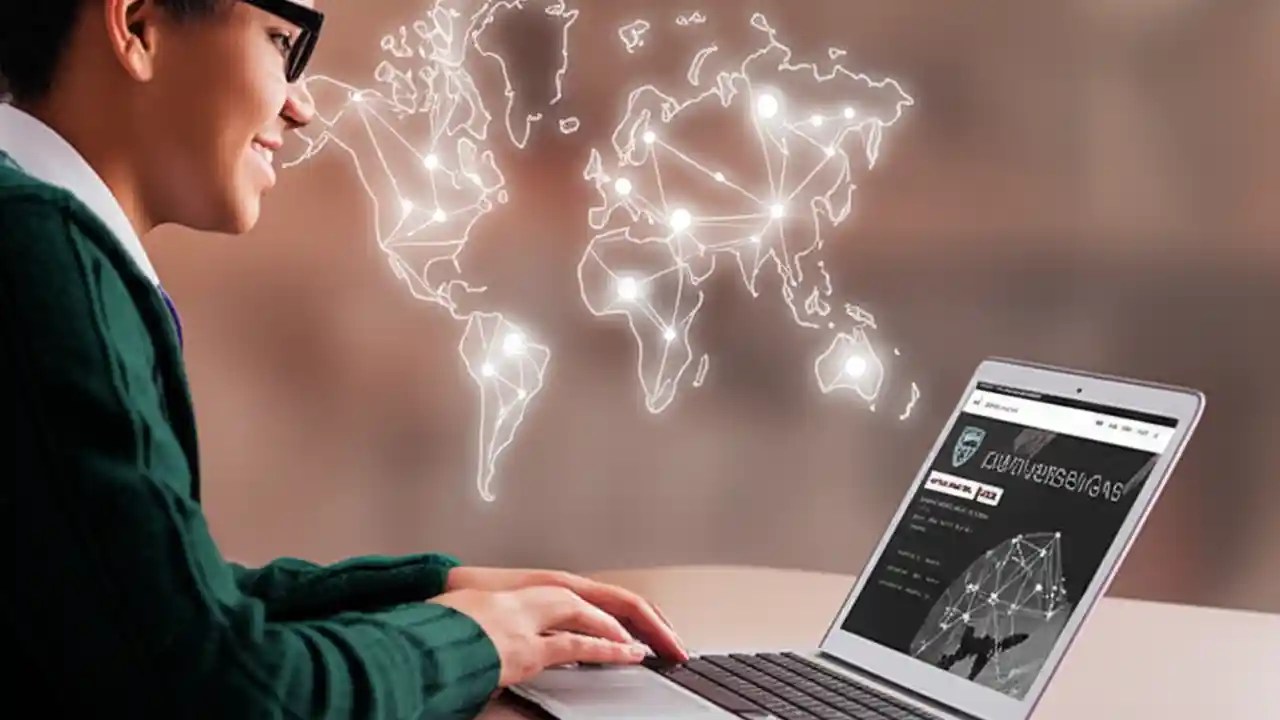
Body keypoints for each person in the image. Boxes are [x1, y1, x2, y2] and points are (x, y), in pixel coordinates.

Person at [0, 0, 687, 716]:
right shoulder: (37, 252)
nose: (301, 107)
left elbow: (139, 605)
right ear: (139, 26)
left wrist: (435, 593)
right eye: (280, 42)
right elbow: (222, 688)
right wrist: (473, 639)